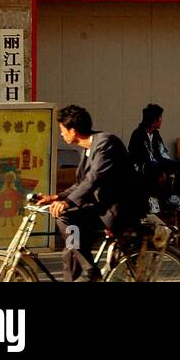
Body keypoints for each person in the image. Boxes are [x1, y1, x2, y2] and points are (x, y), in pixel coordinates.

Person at [36, 104, 142, 282]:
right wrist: (57, 197)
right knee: (71, 250)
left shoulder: (105, 143)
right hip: (99, 207)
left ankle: (91, 271)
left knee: (64, 216)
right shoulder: (87, 149)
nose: (61, 134)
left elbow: (94, 179)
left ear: (73, 131)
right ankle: (84, 271)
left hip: (116, 209)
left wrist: (67, 203)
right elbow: (80, 184)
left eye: (63, 130)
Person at [128, 103, 180, 215]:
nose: (161, 120)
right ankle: (152, 198)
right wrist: (160, 172)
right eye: (160, 118)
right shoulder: (137, 135)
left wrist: (167, 168)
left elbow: (163, 153)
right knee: (153, 166)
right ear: (154, 120)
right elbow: (140, 160)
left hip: (157, 164)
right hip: (142, 168)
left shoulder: (156, 134)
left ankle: (174, 196)